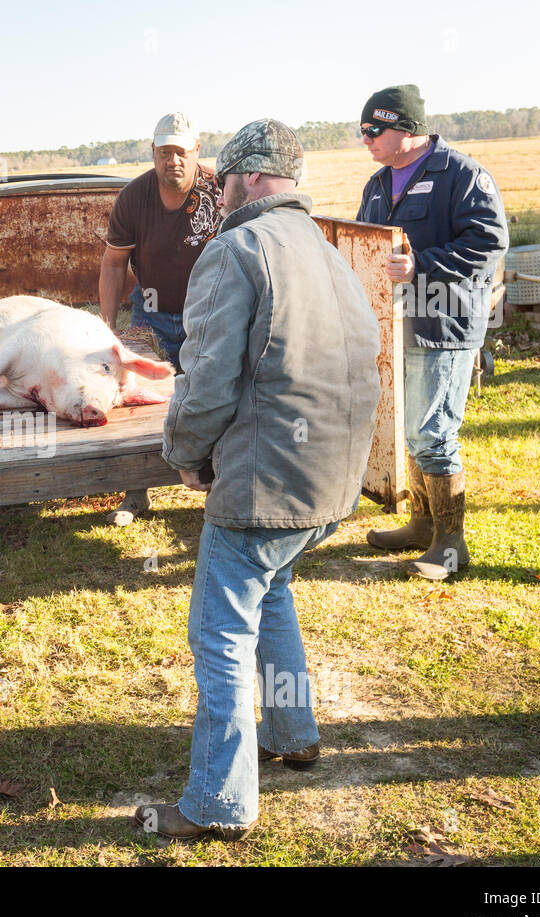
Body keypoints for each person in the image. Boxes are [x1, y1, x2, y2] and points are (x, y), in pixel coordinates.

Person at [135, 119, 381, 841]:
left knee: (219, 632)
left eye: (224, 180)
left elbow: (206, 380)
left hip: (265, 483)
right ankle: (293, 731)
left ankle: (218, 802)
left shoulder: (236, 249)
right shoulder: (328, 250)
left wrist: (184, 451)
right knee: (269, 590)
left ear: (243, 179)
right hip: (330, 483)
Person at [355, 85, 508, 580]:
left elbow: (488, 242)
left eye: (374, 130)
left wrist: (422, 265)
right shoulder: (378, 184)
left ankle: (450, 545)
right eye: (362, 131)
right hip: (397, 326)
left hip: (444, 323)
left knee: (433, 434)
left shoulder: (461, 175)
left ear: (407, 127)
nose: (366, 139)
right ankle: (422, 524)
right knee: (414, 431)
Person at [99, 112, 222, 525]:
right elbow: (114, 264)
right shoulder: (134, 198)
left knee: (212, 396)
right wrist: (107, 327)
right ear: (153, 153)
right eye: (165, 152)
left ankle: (216, 486)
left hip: (209, 315)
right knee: (139, 401)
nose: (174, 160)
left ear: (196, 152)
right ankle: (137, 492)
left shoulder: (219, 192)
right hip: (150, 315)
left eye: (181, 152)